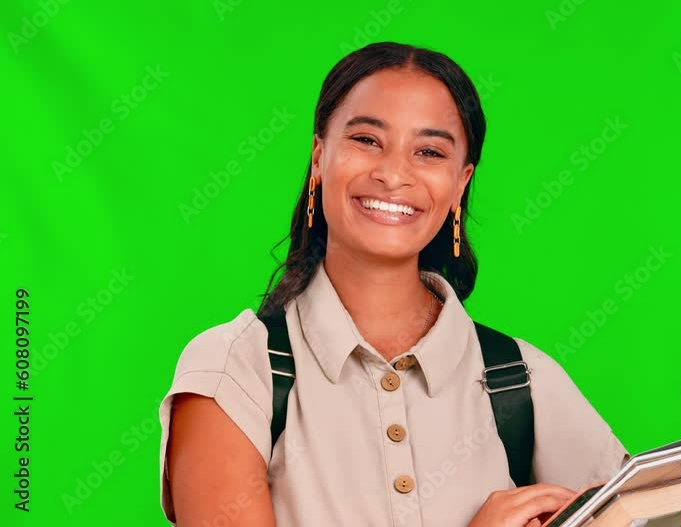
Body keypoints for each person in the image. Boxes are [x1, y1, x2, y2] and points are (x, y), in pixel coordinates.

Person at [158, 42, 628, 527]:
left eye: (429, 151)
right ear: (319, 156)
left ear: (460, 184)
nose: (392, 174)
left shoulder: (522, 377)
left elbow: (640, 510)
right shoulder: (234, 372)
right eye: (366, 140)